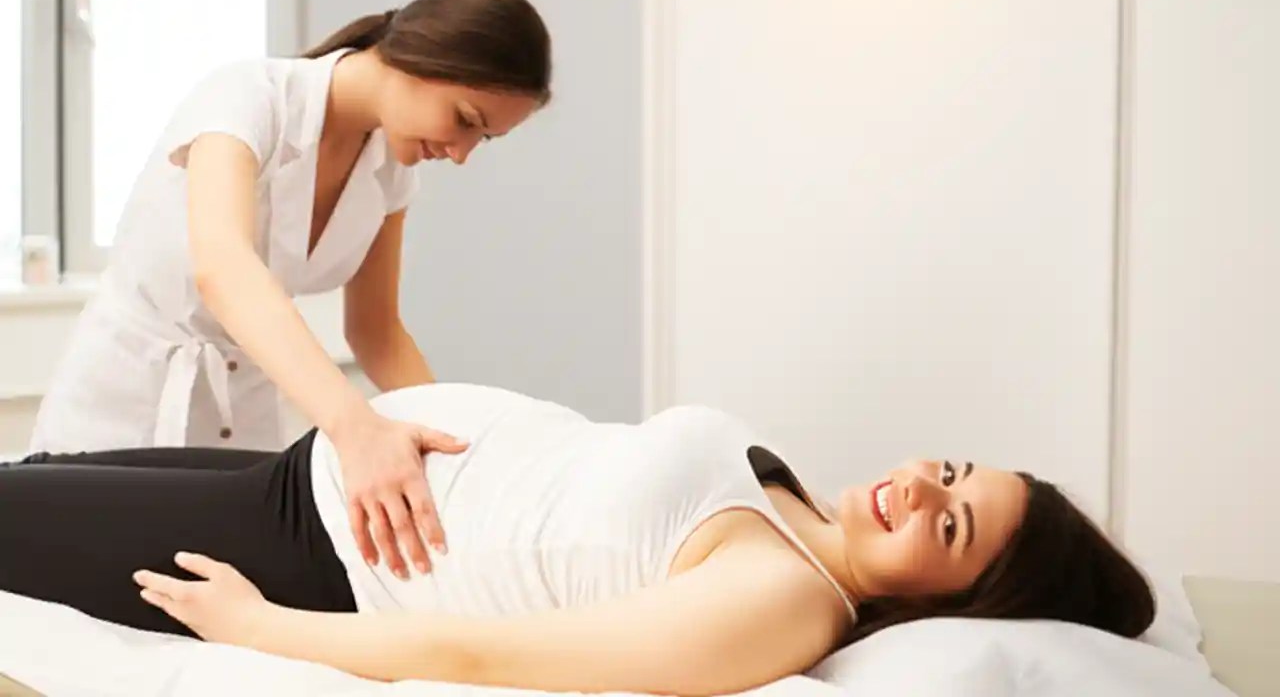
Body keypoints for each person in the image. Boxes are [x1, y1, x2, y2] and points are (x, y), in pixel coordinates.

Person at [1, 383, 1155, 696]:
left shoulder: (787, 604)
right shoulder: (798, 510)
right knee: (30, 478)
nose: (914, 485)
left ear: (957, 603)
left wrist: (261, 629)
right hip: (321, 470)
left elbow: (490, 661)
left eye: (947, 524)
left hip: (322, 553)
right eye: (946, 468)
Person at [29, 0, 552, 579]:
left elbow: (376, 331)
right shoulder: (247, 99)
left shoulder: (389, 175)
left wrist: (462, 438)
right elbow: (224, 268)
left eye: (482, 139)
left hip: (244, 418)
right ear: (424, 58)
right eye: (464, 120)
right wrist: (356, 431)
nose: (461, 153)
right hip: (126, 400)